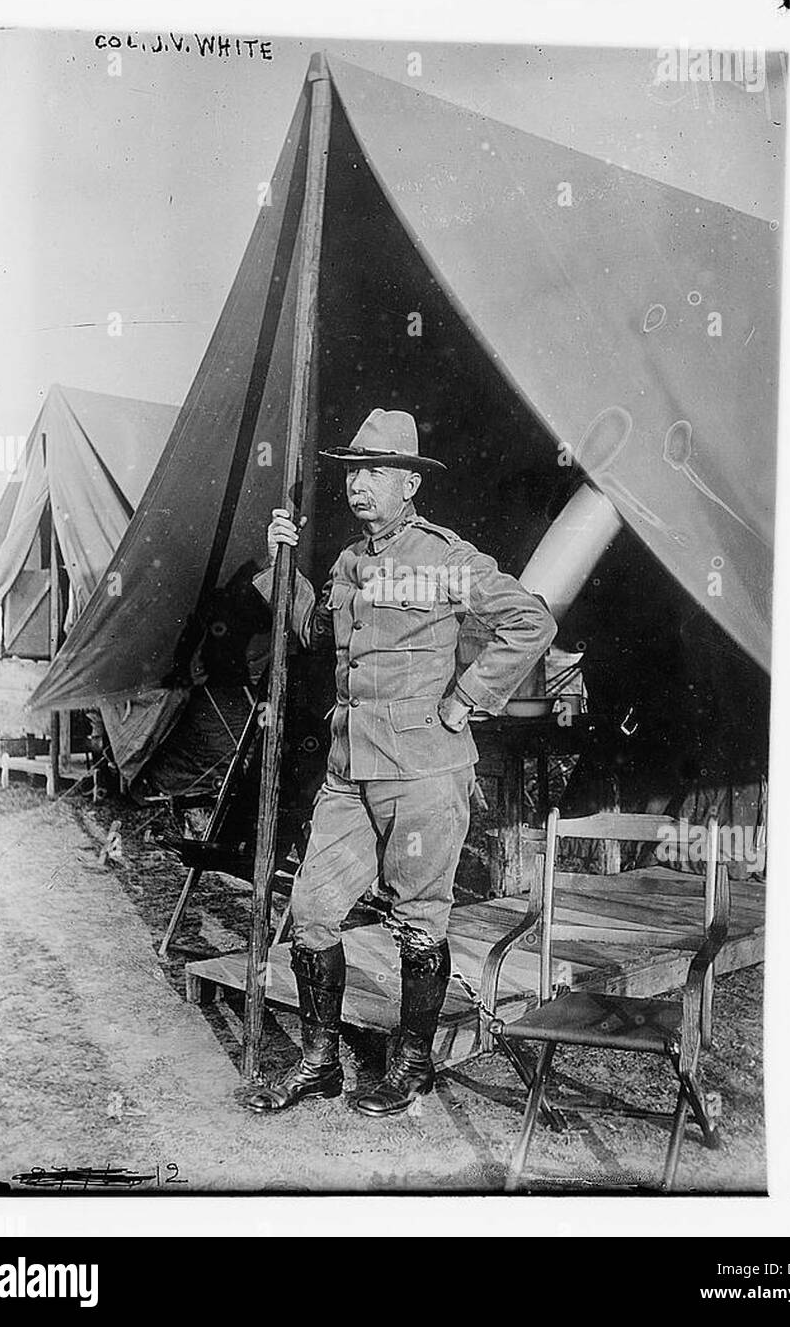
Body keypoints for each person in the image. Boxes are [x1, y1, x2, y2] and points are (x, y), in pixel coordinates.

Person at [246, 409, 556, 1117]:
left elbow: (531, 622)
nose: (359, 486)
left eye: (375, 472)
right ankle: (321, 1061)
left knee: (418, 920)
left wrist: (467, 699)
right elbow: (310, 633)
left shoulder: (449, 559)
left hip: (422, 774)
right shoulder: (348, 563)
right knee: (315, 911)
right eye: (353, 472)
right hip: (350, 771)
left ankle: (413, 1065)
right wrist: (281, 564)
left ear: (409, 483)